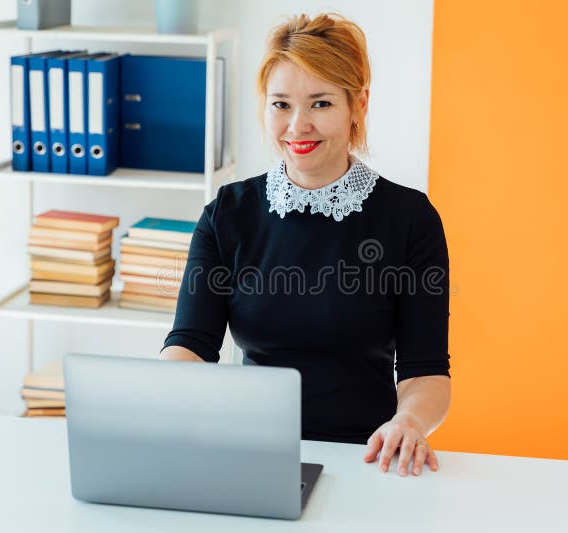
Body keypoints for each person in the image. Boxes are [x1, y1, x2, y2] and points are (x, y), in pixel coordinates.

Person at [160, 12, 451, 478]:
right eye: (281, 104)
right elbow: (191, 345)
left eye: (320, 103)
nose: (297, 126)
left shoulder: (410, 219)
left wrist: (409, 421)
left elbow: (426, 372)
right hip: (249, 457)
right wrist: (157, 397)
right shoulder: (227, 215)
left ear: (358, 104)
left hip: (366, 461)